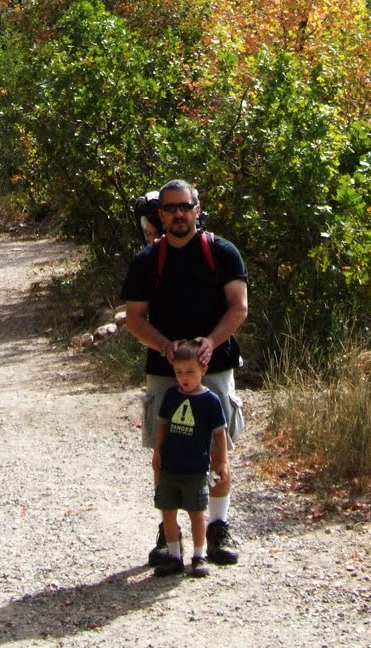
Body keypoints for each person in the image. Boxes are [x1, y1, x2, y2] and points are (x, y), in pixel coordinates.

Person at [122, 177, 248, 566]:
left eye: (184, 206)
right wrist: (164, 347)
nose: (178, 214)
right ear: (159, 215)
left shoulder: (222, 253)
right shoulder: (147, 262)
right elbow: (134, 318)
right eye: (170, 208)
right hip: (164, 372)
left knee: (216, 448)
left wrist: (211, 342)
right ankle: (169, 533)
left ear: (197, 209)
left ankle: (218, 528)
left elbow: (238, 307)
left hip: (216, 367)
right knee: (167, 451)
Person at [150, 339, 229, 577]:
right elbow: (162, 425)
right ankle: (174, 555)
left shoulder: (210, 401)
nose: (184, 377)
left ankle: (199, 555)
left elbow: (220, 433)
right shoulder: (172, 396)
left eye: (190, 372)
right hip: (171, 467)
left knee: (197, 513)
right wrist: (157, 450)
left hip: (196, 469)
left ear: (203, 370)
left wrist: (223, 461)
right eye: (179, 372)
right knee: (168, 511)